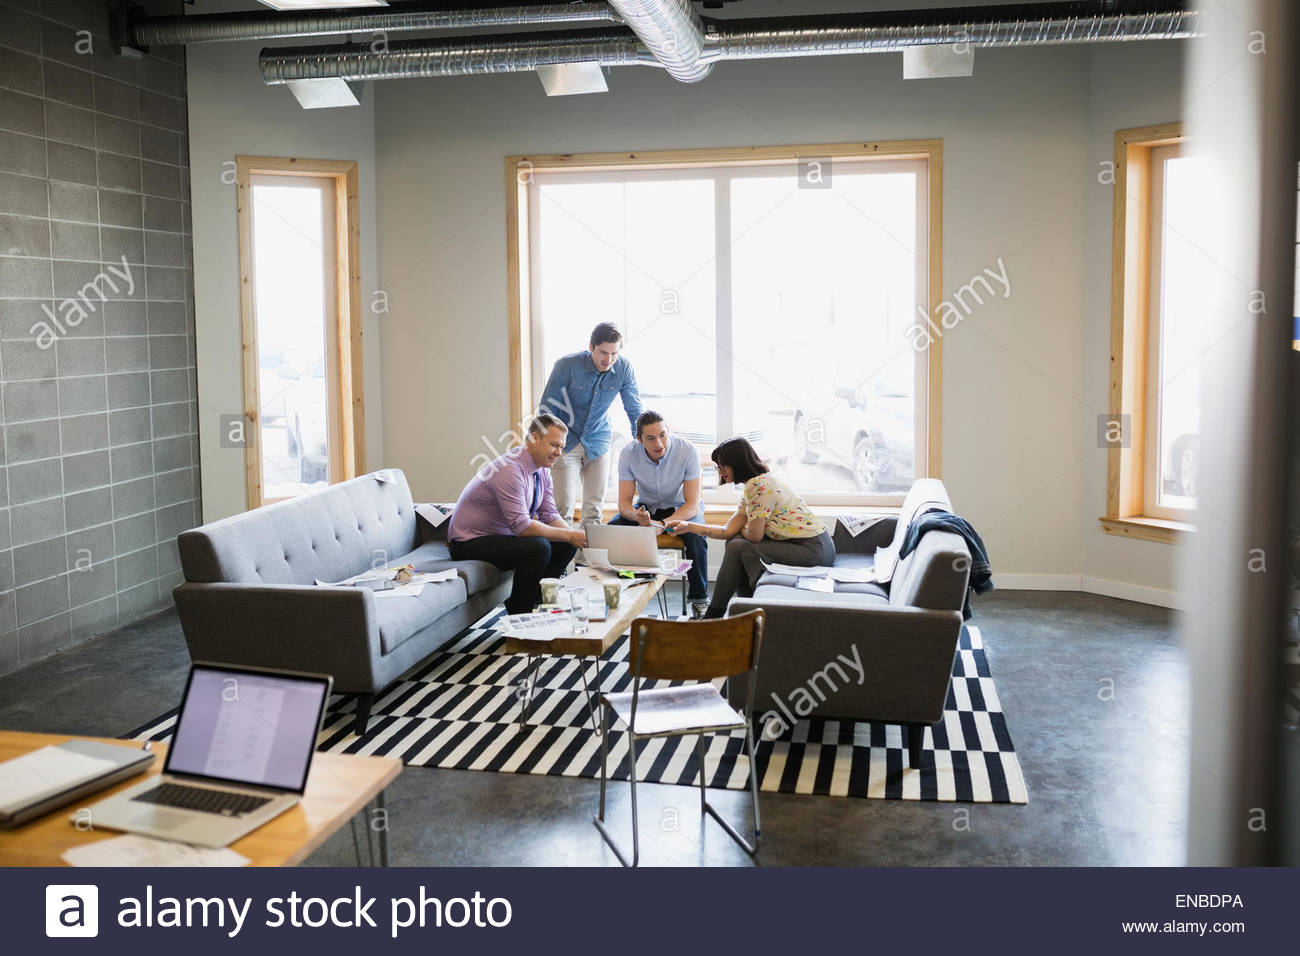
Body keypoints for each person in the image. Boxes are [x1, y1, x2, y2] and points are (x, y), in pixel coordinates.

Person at [668, 437, 835, 619]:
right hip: (808, 545)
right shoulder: (754, 486)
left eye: (722, 466)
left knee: (738, 546)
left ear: (736, 463)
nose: (720, 471)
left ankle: (714, 616)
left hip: (814, 550)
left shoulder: (760, 486)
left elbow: (755, 536)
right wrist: (689, 526)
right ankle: (742, 611)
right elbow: (728, 531)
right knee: (735, 542)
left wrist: (743, 530)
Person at [448, 414, 587, 614]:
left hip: (500, 537)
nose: (559, 453)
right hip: (468, 542)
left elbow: (549, 513)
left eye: (561, 447)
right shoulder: (509, 469)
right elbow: (521, 527)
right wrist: (569, 534)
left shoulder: (543, 469)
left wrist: (573, 536)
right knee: (538, 547)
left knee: (566, 543)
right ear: (534, 439)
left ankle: (538, 602)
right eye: (554, 445)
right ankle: (519, 612)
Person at [537, 322, 642, 528]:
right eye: (603, 352)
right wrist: (551, 444)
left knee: (593, 512)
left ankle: (589, 551)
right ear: (591, 347)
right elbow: (547, 409)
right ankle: (562, 551)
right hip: (566, 443)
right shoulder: (567, 365)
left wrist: (641, 440)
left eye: (614, 353)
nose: (608, 359)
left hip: (598, 441)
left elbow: (634, 408)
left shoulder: (624, 368)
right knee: (562, 509)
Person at [610, 410, 709, 615]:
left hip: (681, 509)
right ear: (639, 439)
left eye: (663, 435)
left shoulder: (687, 451)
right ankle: (624, 590)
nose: (659, 443)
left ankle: (699, 599)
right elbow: (624, 504)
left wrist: (662, 525)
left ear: (668, 431)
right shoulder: (628, 454)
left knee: (696, 535)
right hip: (647, 508)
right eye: (650, 438)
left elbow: (692, 505)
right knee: (613, 529)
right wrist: (636, 516)